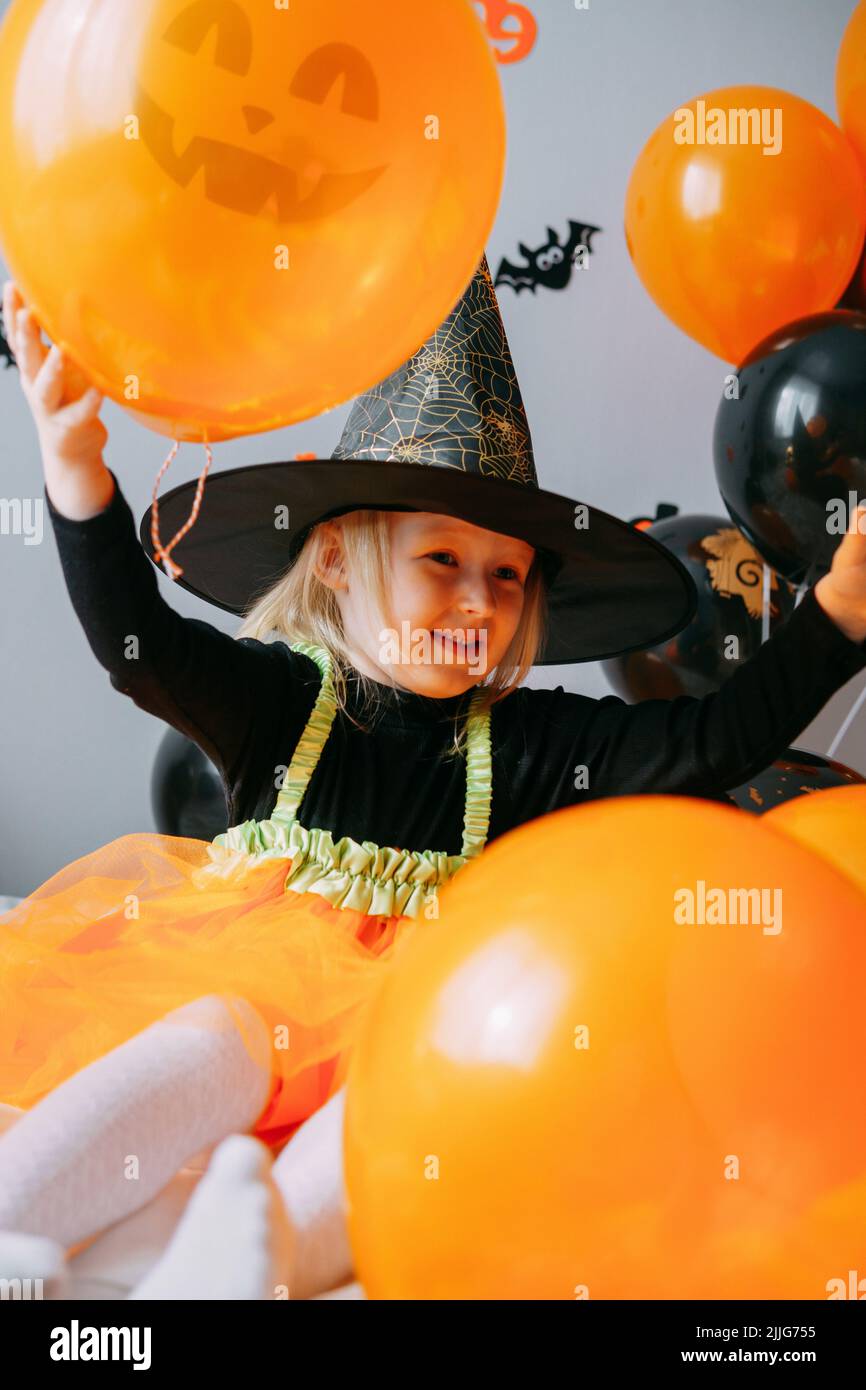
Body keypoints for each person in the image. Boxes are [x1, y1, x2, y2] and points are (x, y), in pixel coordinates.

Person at [1, 255, 865, 1301]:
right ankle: (17, 1222)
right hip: (247, 987)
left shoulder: (535, 743)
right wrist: (75, 469)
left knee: (390, 1111)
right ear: (334, 559)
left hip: (410, 1026)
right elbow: (136, 643)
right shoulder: (278, 703)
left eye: (505, 574)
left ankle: (244, 1269)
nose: (477, 601)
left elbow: (710, 742)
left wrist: (835, 620)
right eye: (440, 562)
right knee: (212, 1035)